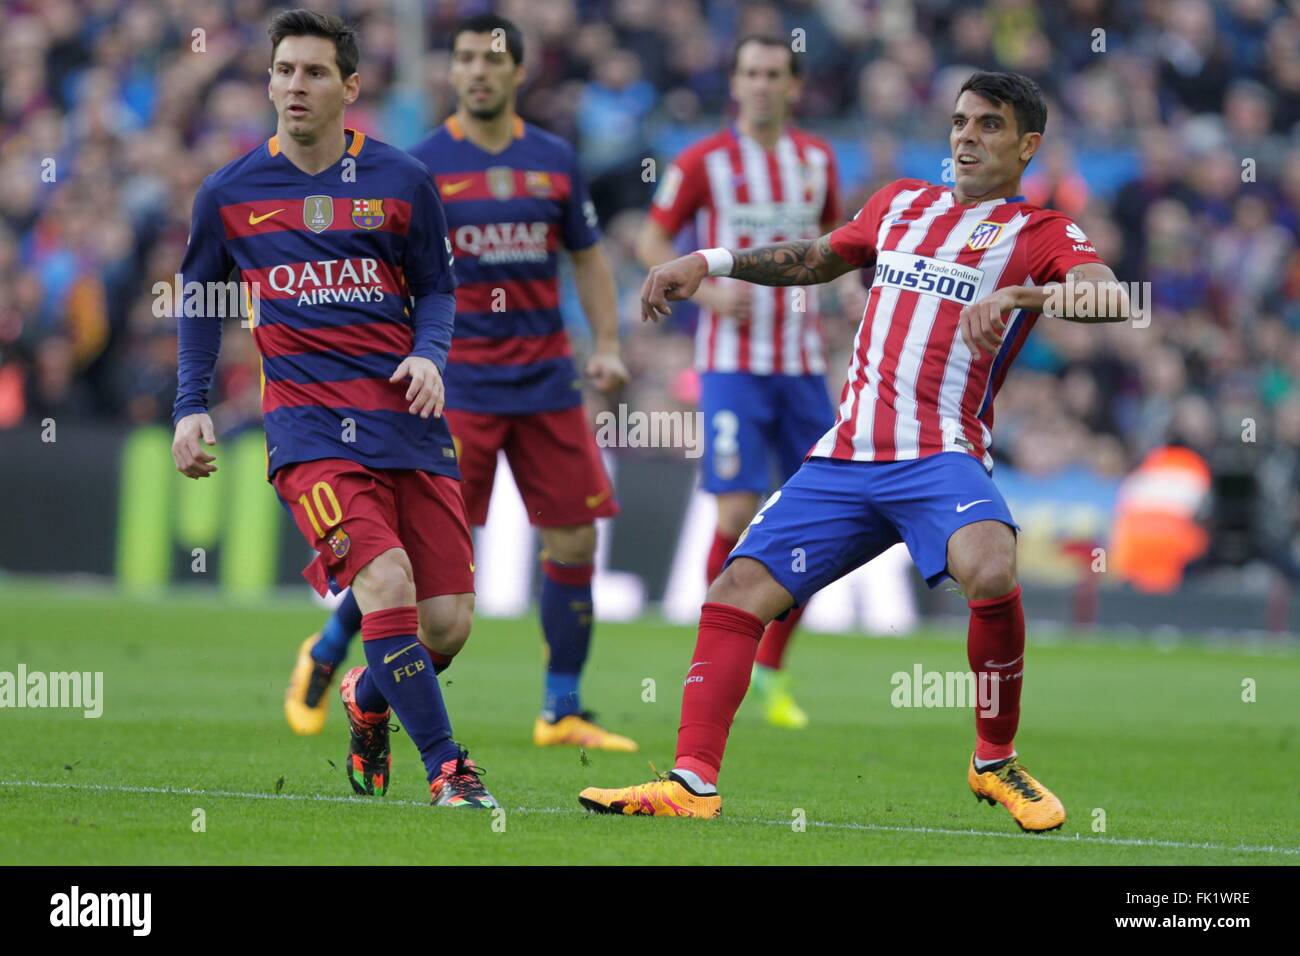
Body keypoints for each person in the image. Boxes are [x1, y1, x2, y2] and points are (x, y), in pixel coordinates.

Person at [579, 71, 1134, 831]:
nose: (967, 136)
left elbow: (1110, 296)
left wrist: (1021, 296)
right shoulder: (900, 202)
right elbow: (812, 258)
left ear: (1027, 144)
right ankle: (690, 783)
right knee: (734, 592)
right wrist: (707, 262)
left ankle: (994, 760)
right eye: (960, 122)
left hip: (940, 455)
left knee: (992, 565)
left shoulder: (1037, 232)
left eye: (990, 126)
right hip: (844, 458)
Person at [286, 13, 637, 753]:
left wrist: (605, 341)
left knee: (574, 539)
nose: (478, 70)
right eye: (466, 59)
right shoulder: (420, 166)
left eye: (493, 59)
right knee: (407, 562)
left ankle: (561, 706)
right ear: (451, 72)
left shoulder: (554, 161)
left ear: (519, 72)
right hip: (452, 392)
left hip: (546, 383)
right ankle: (325, 652)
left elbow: (589, 257)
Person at [174, 9, 497, 809]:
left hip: (407, 424)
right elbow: (199, 300)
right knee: (385, 580)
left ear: (350, 87)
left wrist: (428, 352)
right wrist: (190, 403)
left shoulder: (400, 180)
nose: (295, 86)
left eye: (315, 72)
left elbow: (438, 289)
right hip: (309, 432)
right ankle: (450, 772)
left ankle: (366, 696)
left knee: (447, 623)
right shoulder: (229, 193)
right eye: (284, 70)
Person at [635, 34, 855, 729]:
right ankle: (716, 655)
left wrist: (846, 299)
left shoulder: (817, 160)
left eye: (772, 74)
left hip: (801, 370)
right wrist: (701, 292)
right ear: (735, 83)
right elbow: (649, 241)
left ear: (793, 86)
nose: (760, 85)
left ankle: (770, 665)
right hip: (731, 369)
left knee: (826, 524)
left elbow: (831, 247)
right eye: (749, 73)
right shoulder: (703, 161)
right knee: (734, 514)